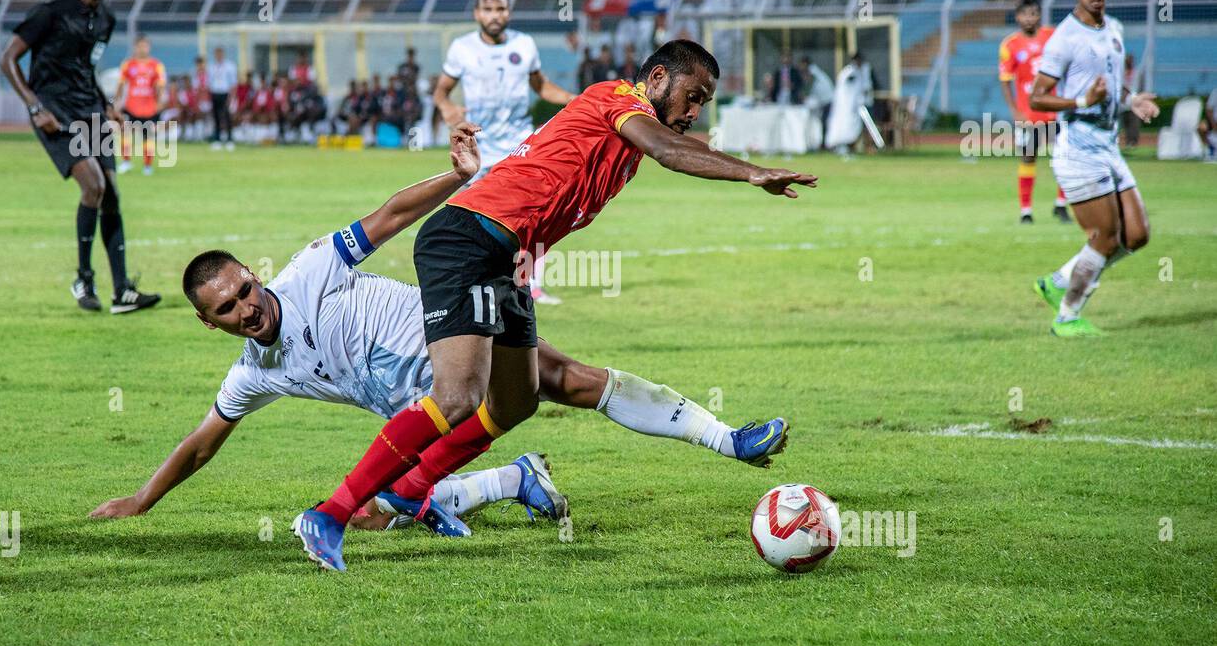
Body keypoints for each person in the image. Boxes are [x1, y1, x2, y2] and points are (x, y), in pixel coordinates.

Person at [296, 40, 815, 572]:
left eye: (704, 102)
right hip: (468, 240)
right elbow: (669, 149)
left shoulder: (630, 137)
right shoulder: (617, 99)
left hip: (510, 259)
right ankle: (331, 514)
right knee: (457, 397)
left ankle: (410, 489)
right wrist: (751, 172)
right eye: (693, 96)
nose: (695, 111)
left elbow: (672, 144)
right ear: (658, 77)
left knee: (517, 400)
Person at [88, 142, 789, 535]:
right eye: (228, 309)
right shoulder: (253, 374)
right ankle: (512, 479)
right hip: (420, 422)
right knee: (375, 512)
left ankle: (726, 439)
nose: (247, 308)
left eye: (245, 289)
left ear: (254, 274)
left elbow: (388, 217)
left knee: (566, 381)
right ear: (209, 323)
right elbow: (201, 442)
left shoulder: (307, 273)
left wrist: (456, 177)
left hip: (453, 338)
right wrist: (141, 500)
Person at [0, 0, 160, 315]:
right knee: (94, 186)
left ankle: (122, 292)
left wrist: (107, 105)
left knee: (112, 195)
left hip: (91, 110)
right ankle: (84, 279)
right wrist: (35, 106)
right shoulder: (50, 14)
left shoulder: (106, 19)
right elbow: (7, 60)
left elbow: (85, 69)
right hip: (55, 114)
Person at [1030, 0, 1161, 338]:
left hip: (1108, 147)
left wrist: (1132, 101)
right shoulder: (1064, 39)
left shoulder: (1114, 29)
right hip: (1078, 151)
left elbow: (1113, 88)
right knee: (1104, 238)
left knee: (1136, 235)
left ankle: (1060, 280)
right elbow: (1037, 97)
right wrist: (1081, 101)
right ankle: (1067, 316)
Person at [432, 0, 577, 304]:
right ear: (477, 13)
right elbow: (441, 91)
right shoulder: (462, 48)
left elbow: (541, 87)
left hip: (519, 147)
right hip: (478, 149)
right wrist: (447, 108)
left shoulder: (524, 45)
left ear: (508, 12)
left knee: (534, 216)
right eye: (488, 10)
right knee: (468, 217)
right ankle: (468, 283)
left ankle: (530, 286)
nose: (494, 16)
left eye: (500, 9)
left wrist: (575, 99)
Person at [999, 0, 1069, 223]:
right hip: (1028, 113)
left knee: (1064, 157)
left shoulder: (1053, 37)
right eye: (1024, 14)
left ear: (1039, 16)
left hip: (1055, 110)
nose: (1029, 19)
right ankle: (1026, 211)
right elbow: (1005, 80)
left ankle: (1061, 205)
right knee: (1028, 157)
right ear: (1017, 17)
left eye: (1033, 14)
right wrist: (1014, 111)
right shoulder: (1010, 45)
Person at [114, 35, 168, 175]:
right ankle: (126, 162)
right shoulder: (128, 64)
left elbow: (161, 85)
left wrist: (160, 101)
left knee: (148, 136)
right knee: (125, 132)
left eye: (145, 46)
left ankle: (147, 166)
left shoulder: (156, 65)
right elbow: (121, 84)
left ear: (149, 47)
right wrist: (116, 102)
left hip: (149, 107)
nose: (142, 48)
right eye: (140, 46)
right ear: (135, 47)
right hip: (131, 105)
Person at [206, 46, 237, 151]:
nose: (218, 56)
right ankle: (217, 139)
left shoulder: (230, 66)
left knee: (226, 117)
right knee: (216, 117)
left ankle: (229, 139)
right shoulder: (211, 67)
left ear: (223, 54)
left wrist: (231, 97)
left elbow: (233, 83)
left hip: (225, 93)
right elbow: (209, 82)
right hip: (215, 93)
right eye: (217, 54)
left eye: (220, 54)